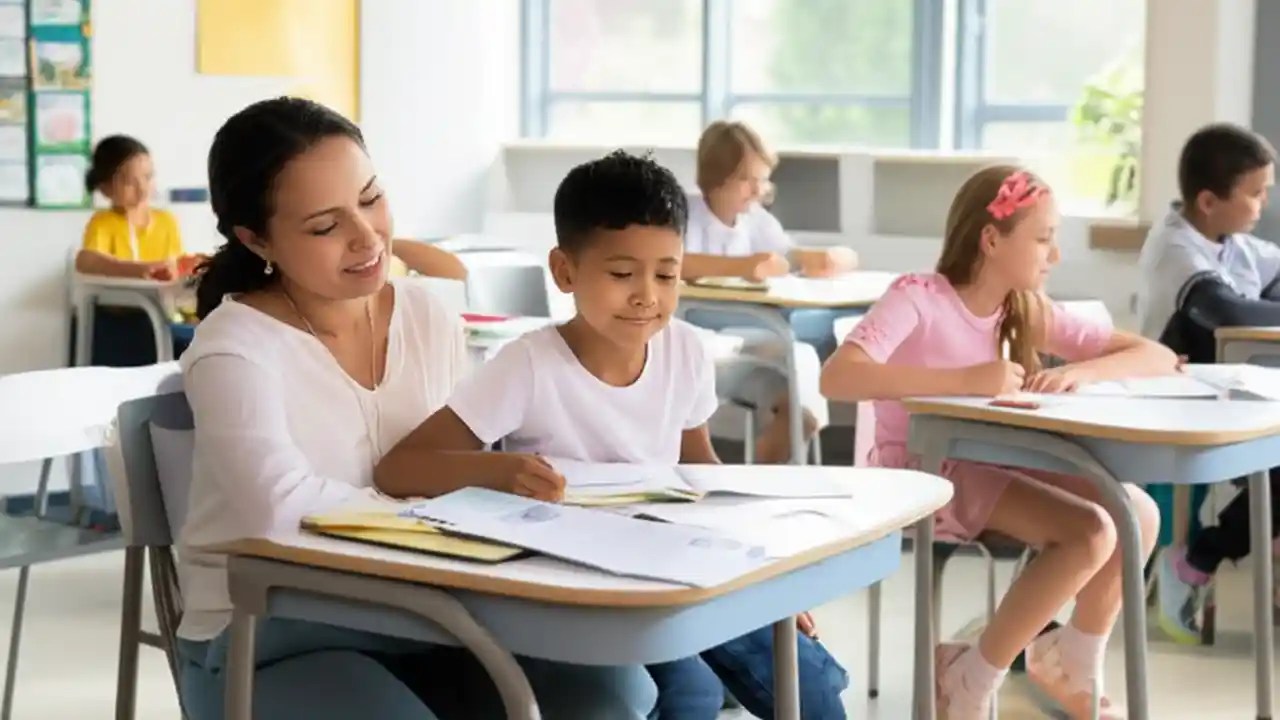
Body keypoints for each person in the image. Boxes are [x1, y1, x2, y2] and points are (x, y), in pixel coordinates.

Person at [177, 97, 656, 720]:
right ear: (255, 238)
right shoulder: (234, 345)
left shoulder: (426, 313)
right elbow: (278, 509)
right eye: (326, 227)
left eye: (371, 198)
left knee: (611, 690)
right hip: (269, 634)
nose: (367, 235)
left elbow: (463, 461)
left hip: (428, 617)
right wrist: (430, 499)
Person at [376, 150, 850, 720]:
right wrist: (494, 469)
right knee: (691, 692)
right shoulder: (526, 365)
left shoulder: (685, 350)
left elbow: (699, 466)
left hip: (675, 561)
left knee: (808, 682)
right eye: (622, 274)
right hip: (582, 583)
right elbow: (400, 467)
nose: (647, 294)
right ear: (565, 271)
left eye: (667, 274)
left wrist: (763, 577)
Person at [821, 165, 1175, 718]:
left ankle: (1069, 659)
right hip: (920, 471)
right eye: (1043, 238)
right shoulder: (918, 296)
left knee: (1139, 513)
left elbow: (1156, 356)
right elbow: (838, 377)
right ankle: (972, 678)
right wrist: (965, 381)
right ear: (991, 240)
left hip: (990, 458)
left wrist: (1082, 373)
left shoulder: (1023, 307)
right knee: (1088, 533)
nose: (1053, 255)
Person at [1136, 122, 1280, 643]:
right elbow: (1227, 310)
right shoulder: (1175, 248)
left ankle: (1205, 556)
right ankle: (1197, 559)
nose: (1264, 203)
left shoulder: (1234, 243)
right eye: (1256, 193)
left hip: (1236, 393)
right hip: (1178, 399)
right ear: (1208, 201)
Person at [684, 120, 852, 463]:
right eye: (746, 179)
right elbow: (676, 263)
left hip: (753, 343)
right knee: (796, 346)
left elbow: (786, 255)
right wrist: (745, 266)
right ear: (716, 176)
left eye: (762, 180)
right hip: (707, 348)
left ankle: (766, 478)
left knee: (800, 401)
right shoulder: (687, 215)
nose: (756, 191)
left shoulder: (756, 220)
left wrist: (824, 258)